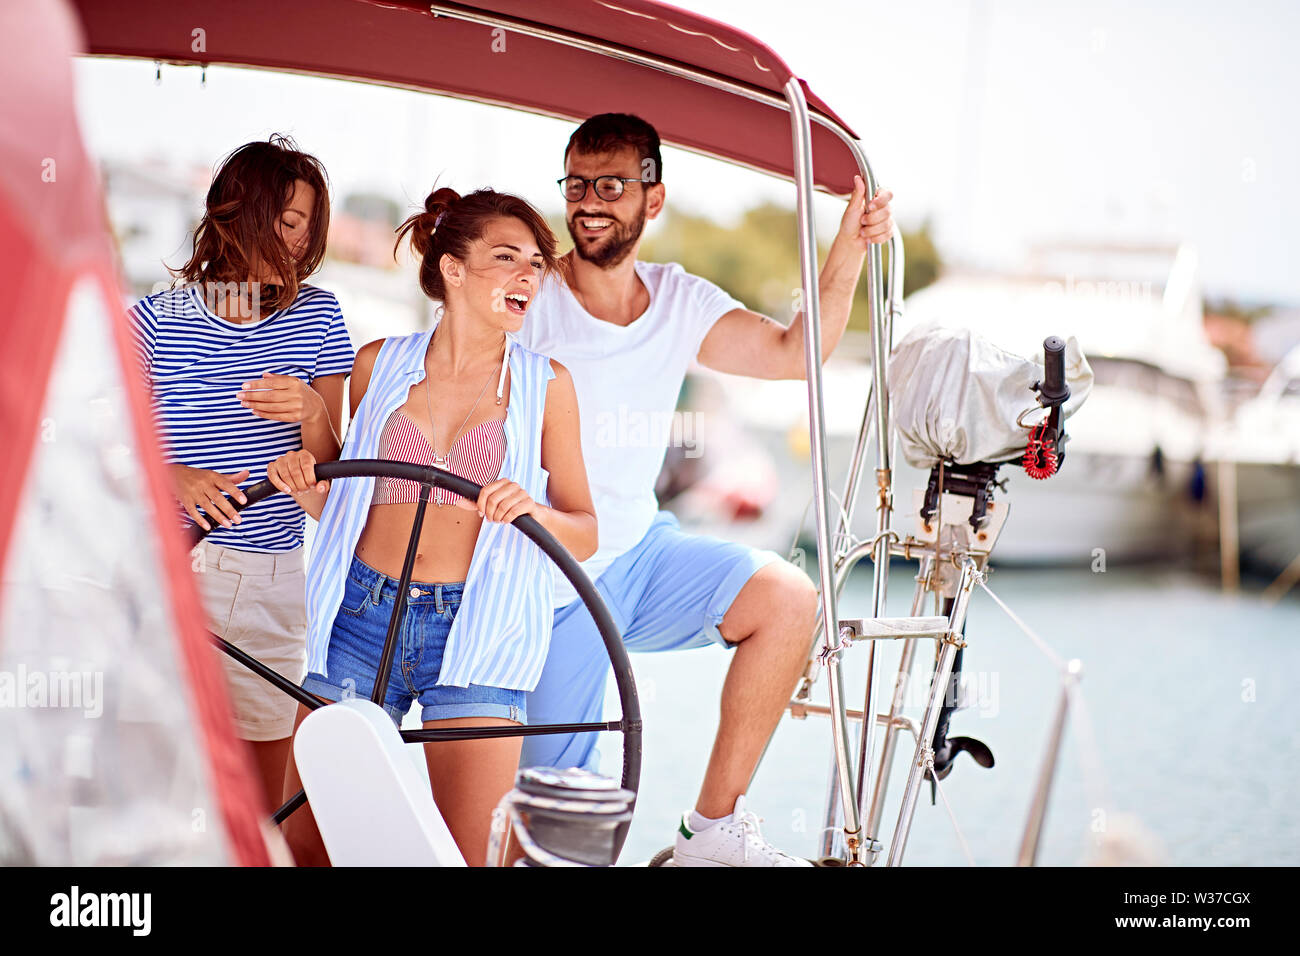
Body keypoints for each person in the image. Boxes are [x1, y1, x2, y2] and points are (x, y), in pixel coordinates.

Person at [516, 113, 895, 866]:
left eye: (612, 185)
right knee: (559, 828)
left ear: (652, 200)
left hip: (641, 555)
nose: (589, 202)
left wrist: (849, 245)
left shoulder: (677, 299)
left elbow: (799, 353)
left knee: (790, 600)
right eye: (577, 184)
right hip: (554, 574)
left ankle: (709, 835)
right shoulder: (528, 296)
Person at [267, 187, 596, 867]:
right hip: (360, 615)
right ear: (451, 267)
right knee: (307, 847)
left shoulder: (547, 385)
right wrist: (306, 485)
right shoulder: (377, 363)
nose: (528, 275)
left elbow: (586, 531)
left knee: (471, 856)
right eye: (507, 258)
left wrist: (534, 511)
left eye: (536, 263)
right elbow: (352, 505)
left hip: (477, 629)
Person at [126, 136, 353, 815]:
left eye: (307, 226)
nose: (298, 241)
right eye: (285, 221)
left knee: (260, 805)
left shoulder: (319, 318)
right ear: (237, 213)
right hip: (164, 570)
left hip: (270, 579)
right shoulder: (155, 321)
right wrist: (177, 477)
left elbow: (330, 488)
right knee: (150, 793)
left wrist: (313, 412)